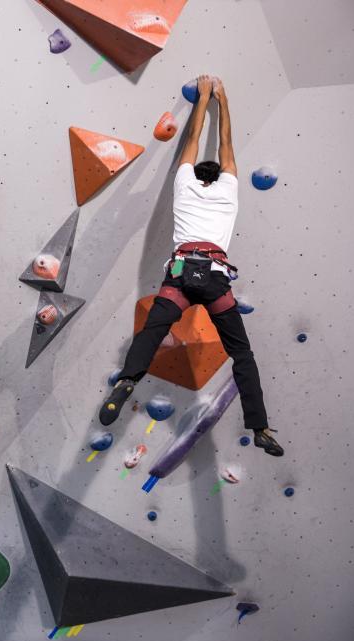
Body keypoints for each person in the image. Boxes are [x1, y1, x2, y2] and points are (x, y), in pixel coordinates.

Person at [98, 75, 283, 457]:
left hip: (180, 276)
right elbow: (225, 143)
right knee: (242, 354)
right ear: (220, 177)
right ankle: (260, 426)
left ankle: (127, 381)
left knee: (152, 332)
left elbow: (193, 138)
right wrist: (223, 99)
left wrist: (201, 98)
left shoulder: (183, 185)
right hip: (215, 280)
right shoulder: (229, 193)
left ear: (195, 175)